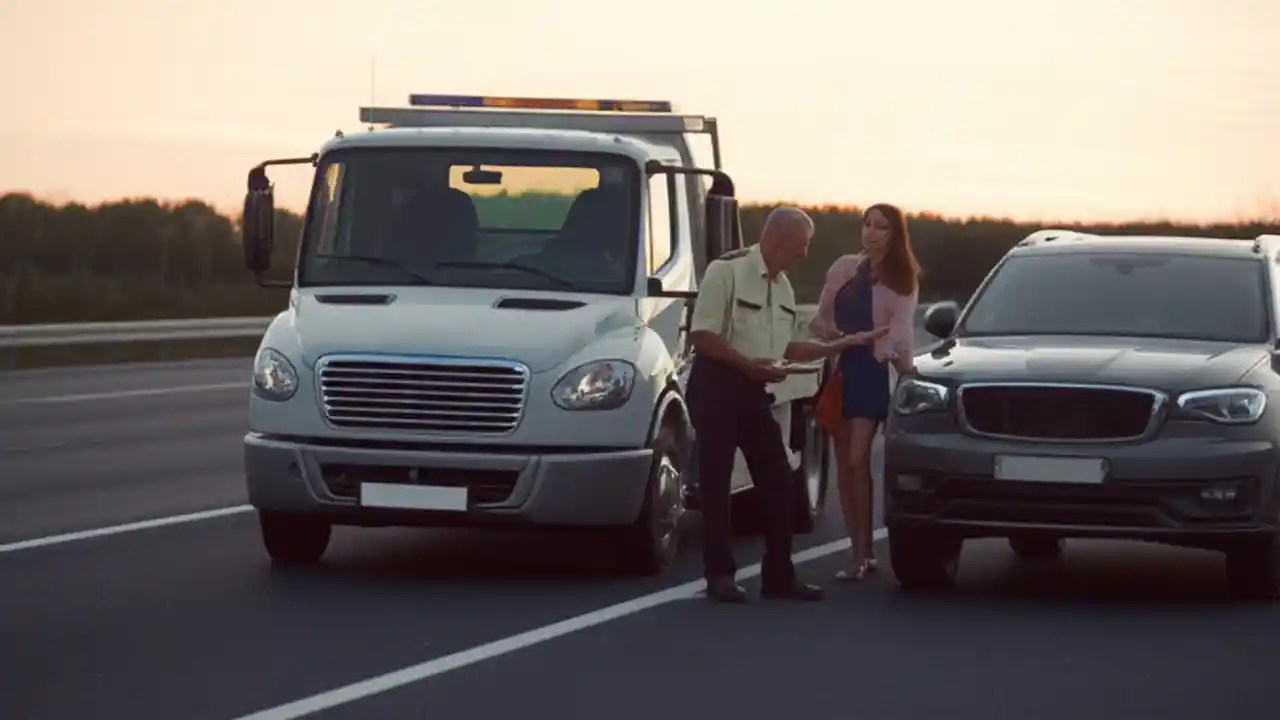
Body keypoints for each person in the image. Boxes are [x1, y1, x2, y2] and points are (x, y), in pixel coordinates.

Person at [687, 205, 889, 603]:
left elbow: (788, 346)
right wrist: (750, 367)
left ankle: (778, 576)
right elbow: (703, 336)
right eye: (801, 245)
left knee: (780, 483)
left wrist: (837, 346)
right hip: (717, 387)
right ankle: (719, 576)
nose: (804, 255)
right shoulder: (725, 273)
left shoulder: (782, 287)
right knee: (716, 483)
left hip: (753, 390)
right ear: (777, 239)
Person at [810, 203, 921, 581]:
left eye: (881, 227)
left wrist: (911, 378)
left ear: (895, 235)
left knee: (859, 461)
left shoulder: (902, 279)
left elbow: (901, 338)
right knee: (844, 467)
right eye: (867, 224)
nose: (871, 232)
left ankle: (863, 553)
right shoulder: (843, 268)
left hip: (872, 373)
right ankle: (861, 552)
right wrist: (839, 338)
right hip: (842, 369)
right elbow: (818, 320)